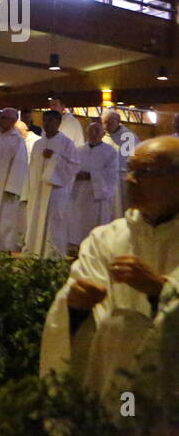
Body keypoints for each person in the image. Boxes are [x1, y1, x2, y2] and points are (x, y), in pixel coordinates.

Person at [41, 136, 179, 407]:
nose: (129, 180)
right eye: (130, 169)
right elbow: (72, 313)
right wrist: (76, 307)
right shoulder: (105, 239)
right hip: (109, 376)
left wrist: (160, 291)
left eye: (145, 172)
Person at [23, 109, 80, 258]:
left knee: (53, 224)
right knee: (35, 221)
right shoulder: (38, 144)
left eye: (51, 121)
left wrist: (55, 157)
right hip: (38, 191)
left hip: (55, 191)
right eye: (45, 120)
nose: (47, 124)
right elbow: (31, 169)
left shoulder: (67, 143)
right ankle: (34, 252)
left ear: (58, 123)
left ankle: (52, 255)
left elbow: (73, 167)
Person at [69, 121, 122, 248]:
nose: (93, 134)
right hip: (79, 194)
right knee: (77, 223)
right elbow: (70, 168)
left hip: (97, 195)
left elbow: (111, 174)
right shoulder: (78, 150)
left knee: (96, 224)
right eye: (90, 131)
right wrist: (74, 175)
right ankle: (76, 247)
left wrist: (92, 176)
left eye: (96, 131)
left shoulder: (110, 152)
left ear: (103, 134)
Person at [0, 107, 29, 253]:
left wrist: (11, 188)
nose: (0, 121)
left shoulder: (17, 140)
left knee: (4, 220)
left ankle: (4, 249)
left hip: (5, 188)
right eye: (0, 117)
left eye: (4, 118)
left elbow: (20, 165)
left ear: (13, 121)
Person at [102, 109, 138, 211]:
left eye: (109, 122)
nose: (106, 126)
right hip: (107, 179)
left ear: (118, 121)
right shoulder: (103, 137)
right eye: (104, 123)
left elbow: (130, 159)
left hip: (122, 178)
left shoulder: (128, 137)